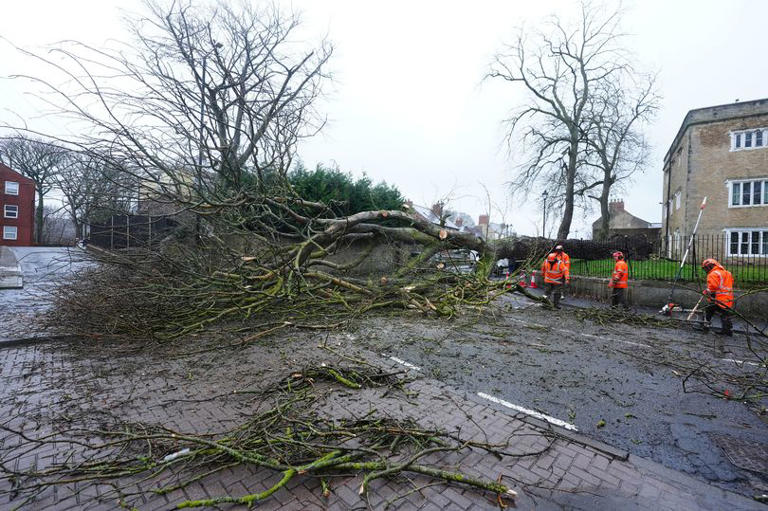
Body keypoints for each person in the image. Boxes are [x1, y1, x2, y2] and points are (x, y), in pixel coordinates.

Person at [701, 258, 733, 336]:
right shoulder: (727, 273)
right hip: (728, 298)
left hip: (717, 298)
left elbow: (713, 286)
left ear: (710, 266)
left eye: (706, 268)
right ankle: (727, 330)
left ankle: (706, 326)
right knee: (725, 314)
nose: (705, 270)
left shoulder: (713, 274)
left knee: (708, 311)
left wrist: (706, 291)